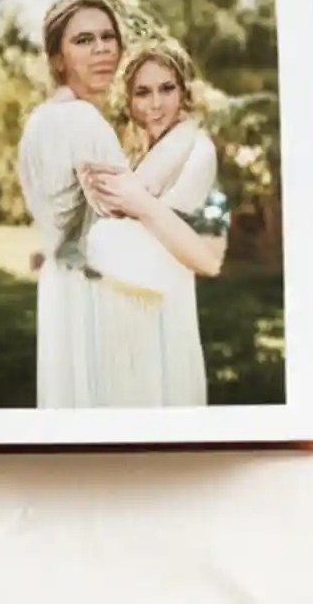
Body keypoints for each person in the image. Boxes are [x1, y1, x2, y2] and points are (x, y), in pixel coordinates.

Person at [16, 0, 218, 409]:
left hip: (65, 288)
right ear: (57, 59)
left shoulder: (38, 122)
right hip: (105, 298)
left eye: (108, 37)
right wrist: (187, 129)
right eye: (84, 40)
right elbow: (135, 204)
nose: (103, 48)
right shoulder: (82, 120)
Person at [81, 41, 227, 407]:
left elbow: (210, 259)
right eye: (143, 92)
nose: (156, 104)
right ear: (128, 99)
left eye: (167, 89)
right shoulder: (136, 156)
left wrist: (140, 204)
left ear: (184, 91)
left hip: (161, 306)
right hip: (121, 307)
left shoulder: (198, 150)